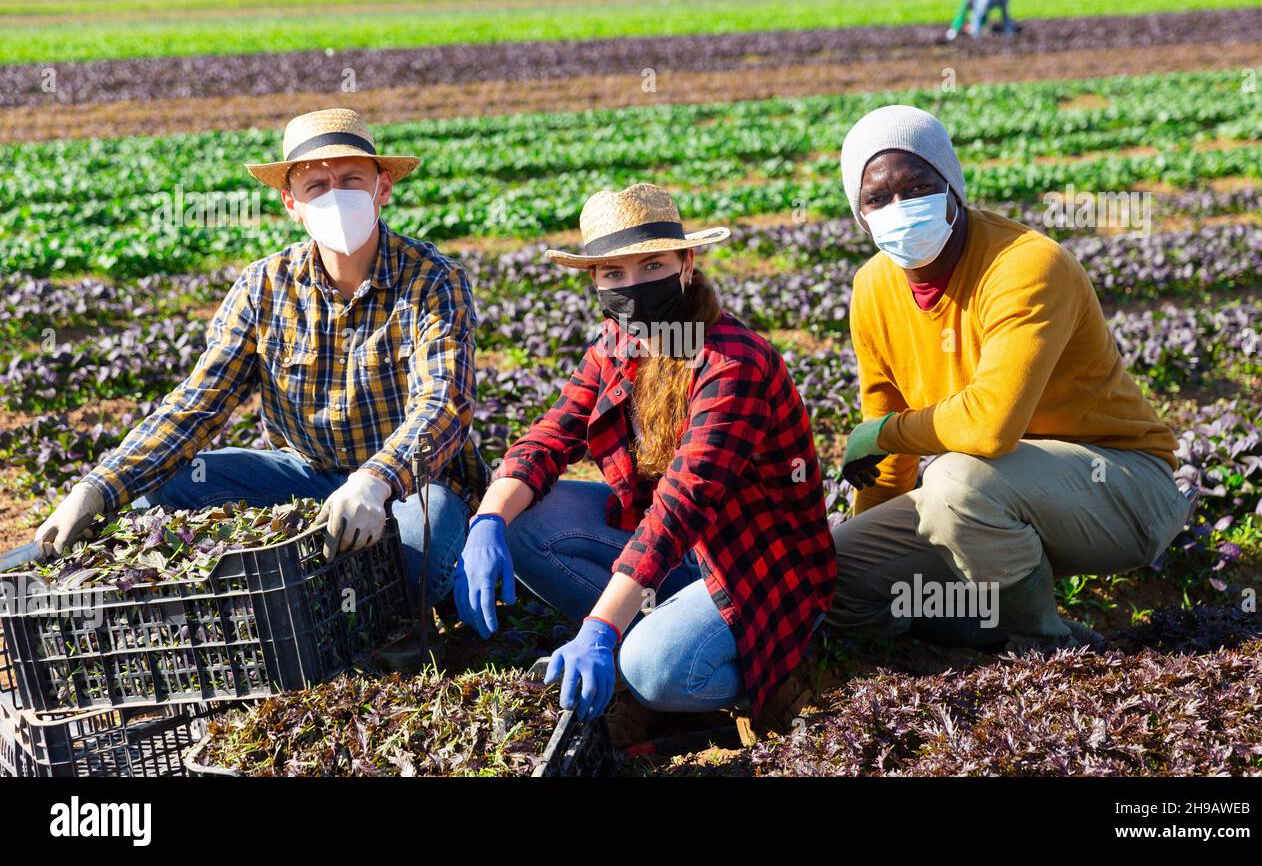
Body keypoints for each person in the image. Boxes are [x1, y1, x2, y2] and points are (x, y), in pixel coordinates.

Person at [35, 108, 487, 610]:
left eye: (350, 180)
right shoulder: (264, 286)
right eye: (316, 185)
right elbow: (197, 405)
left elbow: (444, 403)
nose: (334, 195)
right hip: (302, 475)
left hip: (412, 487)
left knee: (420, 541)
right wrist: (96, 488)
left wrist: (375, 481)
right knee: (166, 488)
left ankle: (394, 619)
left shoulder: (432, 279)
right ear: (291, 203)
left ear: (382, 188)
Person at [453, 183, 835, 745]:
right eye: (612, 274)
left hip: (757, 569)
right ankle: (645, 634)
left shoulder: (732, 362)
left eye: (651, 264)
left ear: (686, 262)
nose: (632, 288)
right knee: (521, 518)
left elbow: (682, 507)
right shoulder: (617, 343)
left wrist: (600, 630)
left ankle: (758, 678)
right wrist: (485, 524)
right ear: (595, 281)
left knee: (654, 669)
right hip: (675, 561)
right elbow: (549, 437)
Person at [830, 104, 1193, 651]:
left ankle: (1048, 646)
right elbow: (884, 448)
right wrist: (876, 534)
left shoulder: (1025, 264)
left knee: (957, 482)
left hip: (1123, 487)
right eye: (878, 198)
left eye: (920, 186)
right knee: (831, 574)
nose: (900, 208)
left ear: (953, 186)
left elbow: (990, 427)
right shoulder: (873, 288)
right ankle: (971, 632)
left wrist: (884, 433)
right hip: (997, 499)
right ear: (861, 214)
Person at [945, 0, 1014, 40]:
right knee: (1005, 14)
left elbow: (961, 13)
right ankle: (1009, 33)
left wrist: (954, 28)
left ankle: (975, 37)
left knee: (976, 15)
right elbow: (984, 16)